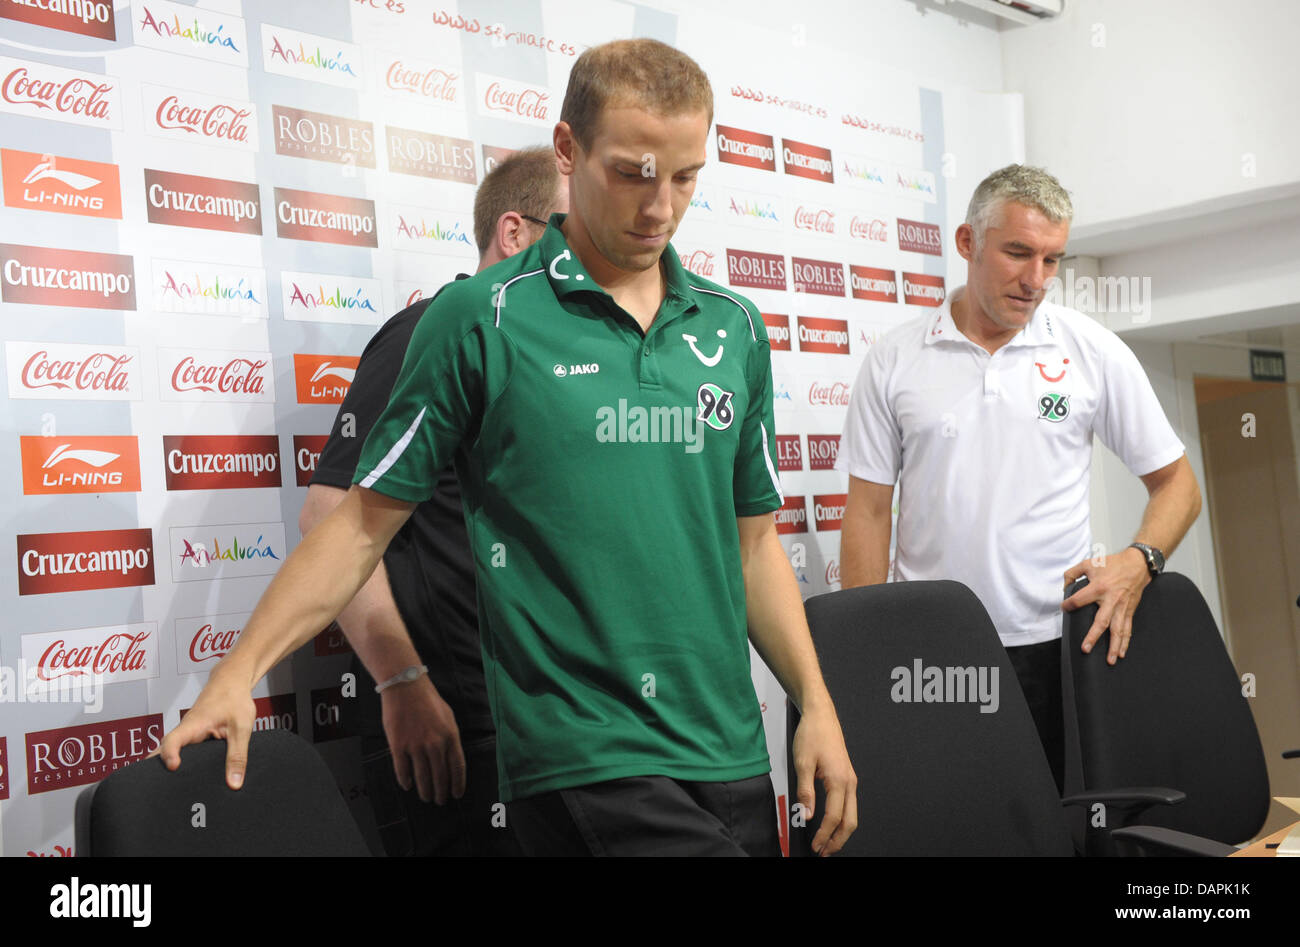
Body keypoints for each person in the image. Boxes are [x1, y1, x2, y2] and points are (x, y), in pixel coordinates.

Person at [157, 37, 857, 857]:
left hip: (732, 749)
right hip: (583, 756)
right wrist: (236, 672)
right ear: (569, 150)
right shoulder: (478, 318)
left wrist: (816, 703)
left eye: (685, 176)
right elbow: (355, 527)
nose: (660, 205)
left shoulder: (732, 327)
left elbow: (752, 550)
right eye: (632, 172)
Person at [836, 164, 1202, 791]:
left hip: (1060, 649)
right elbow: (868, 512)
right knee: (950, 826)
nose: (1036, 280)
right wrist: (866, 650)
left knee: (1064, 829)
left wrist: (1140, 560)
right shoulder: (894, 359)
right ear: (967, 243)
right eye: (1018, 253)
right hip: (928, 653)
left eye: (1053, 260)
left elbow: (1178, 485)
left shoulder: (1092, 351)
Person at [299, 147, 567, 857]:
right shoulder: (432, 329)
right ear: (515, 234)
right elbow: (330, 512)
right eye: (574, 233)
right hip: (452, 728)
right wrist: (403, 680)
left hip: (539, 721)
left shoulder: (543, 354)